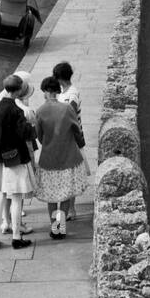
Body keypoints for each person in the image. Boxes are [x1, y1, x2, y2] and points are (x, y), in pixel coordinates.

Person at [0, 74, 35, 250]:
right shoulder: (16, 111)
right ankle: (16, 237)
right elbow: (26, 134)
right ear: (20, 89)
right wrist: (32, 126)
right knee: (16, 198)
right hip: (14, 159)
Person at [34, 76, 88, 238]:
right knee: (65, 195)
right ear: (58, 91)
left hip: (49, 159)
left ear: (45, 91)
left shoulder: (40, 111)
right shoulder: (67, 109)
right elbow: (77, 131)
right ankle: (60, 227)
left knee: (52, 197)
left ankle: (54, 227)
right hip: (68, 157)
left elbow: (39, 136)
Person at [52, 61, 83, 221]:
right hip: (63, 139)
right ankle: (68, 207)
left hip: (70, 138)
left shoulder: (72, 94)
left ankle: (71, 209)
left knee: (70, 174)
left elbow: (69, 114)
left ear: (59, 78)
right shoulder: (62, 93)